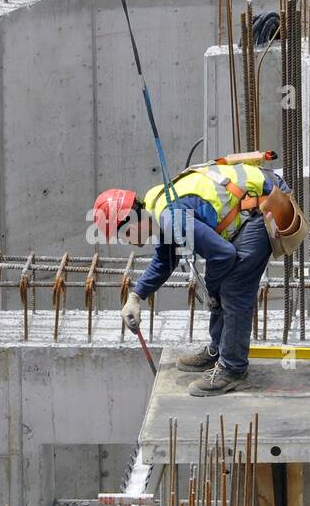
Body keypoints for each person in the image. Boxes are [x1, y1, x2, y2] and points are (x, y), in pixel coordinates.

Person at [92, 159, 288, 396]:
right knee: (222, 285)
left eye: (123, 235)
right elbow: (166, 259)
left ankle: (233, 370)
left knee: (232, 289)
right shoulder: (158, 205)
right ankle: (219, 350)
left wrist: (212, 291)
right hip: (252, 202)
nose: (126, 241)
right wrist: (136, 296)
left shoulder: (170, 219)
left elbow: (224, 255)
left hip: (266, 204)